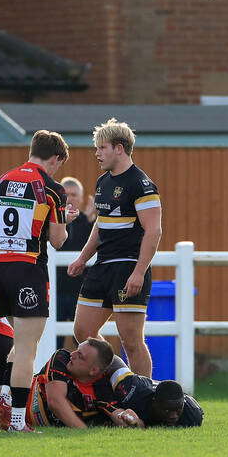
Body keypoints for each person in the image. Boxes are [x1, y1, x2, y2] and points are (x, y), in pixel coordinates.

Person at [0, 130, 74, 432]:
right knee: (28, 347)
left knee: (18, 340)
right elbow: (59, 240)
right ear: (55, 158)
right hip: (27, 269)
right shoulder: (52, 188)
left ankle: (2, 403)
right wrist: (66, 220)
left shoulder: (3, 180)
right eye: (58, 165)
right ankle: (16, 421)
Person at [69, 118, 162, 377]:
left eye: (102, 147)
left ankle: (141, 395)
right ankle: (118, 381)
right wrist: (82, 258)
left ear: (119, 148)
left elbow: (154, 230)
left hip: (128, 266)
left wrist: (139, 272)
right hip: (101, 267)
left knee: (131, 341)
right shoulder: (102, 182)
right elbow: (100, 225)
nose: (97, 153)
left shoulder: (141, 184)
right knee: (82, 333)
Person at [26, 338, 116, 428]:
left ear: (93, 370)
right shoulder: (61, 358)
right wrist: (83, 432)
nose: (72, 354)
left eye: (80, 356)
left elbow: (116, 412)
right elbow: (55, 401)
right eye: (77, 350)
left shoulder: (102, 388)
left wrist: (125, 416)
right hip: (13, 402)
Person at [101, 356, 204, 427]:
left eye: (177, 410)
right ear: (154, 402)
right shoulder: (130, 392)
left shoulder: (192, 414)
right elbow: (111, 360)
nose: (174, 416)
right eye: (167, 411)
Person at [56, 177, 94, 350]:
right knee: (52, 337)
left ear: (81, 198)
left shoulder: (89, 224)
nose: (70, 198)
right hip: (56, 289)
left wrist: (90, 221)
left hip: (80, 290)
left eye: (74, 195)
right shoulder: (53, 221)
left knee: (82, 338)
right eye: (66, 195)